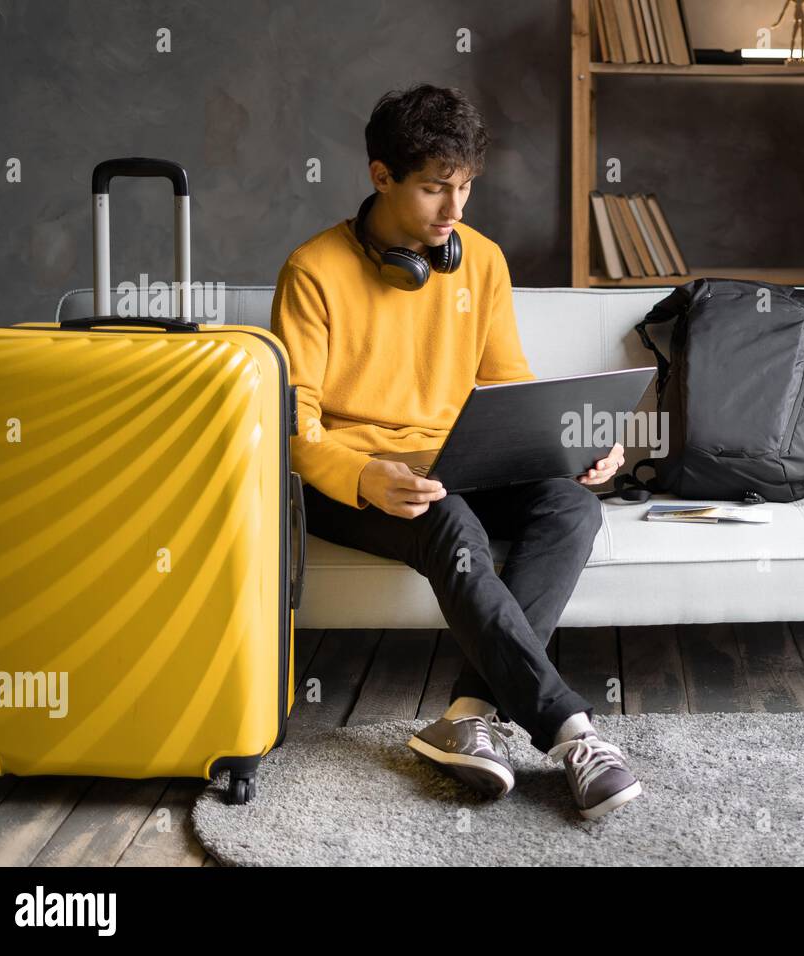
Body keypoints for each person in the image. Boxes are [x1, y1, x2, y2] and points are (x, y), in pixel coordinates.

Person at [270, 83, 642, 821]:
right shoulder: (312, 271)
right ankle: (571, 733)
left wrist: (575, 442)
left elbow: (509, 386)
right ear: (381, 176)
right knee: (451, 519)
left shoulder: (482, 263)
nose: (455, 212)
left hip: (460, 462)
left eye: (466, 188)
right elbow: (293, 427)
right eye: (436, 189)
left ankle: (468, 712)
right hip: (354, 481)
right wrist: (364, 475)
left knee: (571, 505)